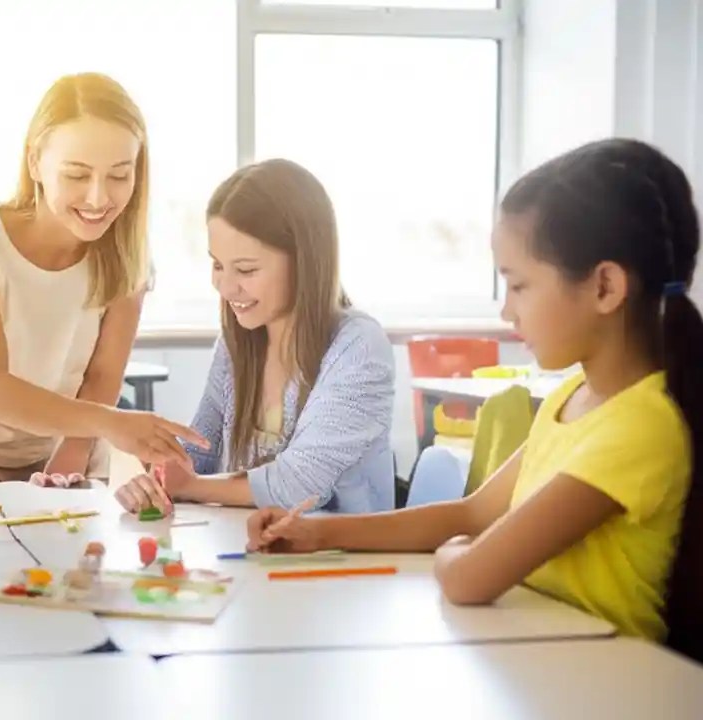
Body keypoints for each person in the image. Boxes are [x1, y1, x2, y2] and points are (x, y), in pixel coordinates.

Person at [248, 139, 703, 661]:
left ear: (605, 286)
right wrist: (317, 532)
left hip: (604, 677)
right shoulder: (572, 397)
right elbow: (473, 512)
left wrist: (455, 553)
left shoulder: (638, 426)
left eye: (519, 286)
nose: (507, 311)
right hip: (547, 658)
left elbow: (469, 576)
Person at [0, 72, 206, 485]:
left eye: (119, 175)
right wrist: (112, 423)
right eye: (77, 175)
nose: (98, 198)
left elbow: (101, 376)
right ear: (35, 161)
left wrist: (71, 456)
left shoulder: (128, 258)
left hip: (56, 449)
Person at [115, 159, 395, 514]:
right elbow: (199, 450)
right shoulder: (238, 341)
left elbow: (300, 484)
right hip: (244, 543)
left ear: (305, 261)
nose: (225, 287)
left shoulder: (359, 347)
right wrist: (157, 477)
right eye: (218, 265)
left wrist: (190, 486)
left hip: (341, 548)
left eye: (246, 270)